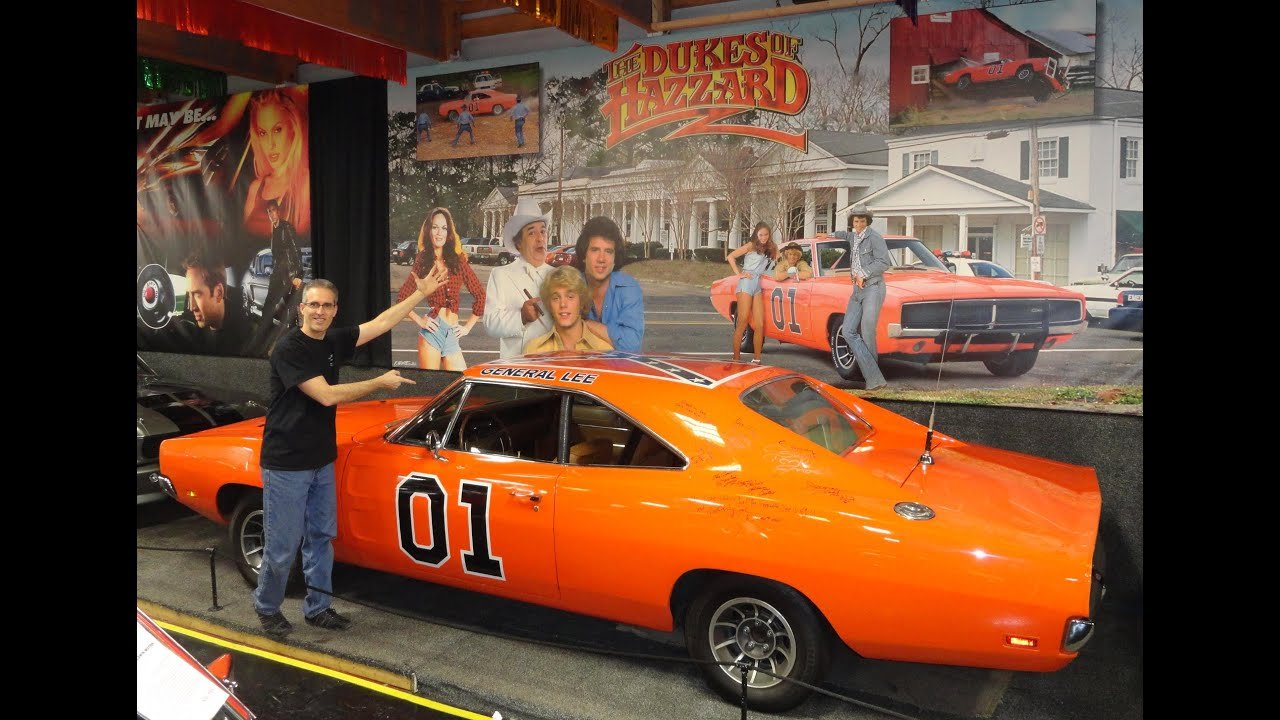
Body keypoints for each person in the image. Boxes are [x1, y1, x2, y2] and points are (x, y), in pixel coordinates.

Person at [253, 269, 447, 638]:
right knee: (282, 544)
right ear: (301, 309)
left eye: (326, 306)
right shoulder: (289, 349)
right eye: (313, 305)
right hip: (286, 463)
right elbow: (326, 394)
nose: (319, 311)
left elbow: (379, 323)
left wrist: (419, 294)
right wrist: (378, 382)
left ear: (335, 310)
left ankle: (318, 607)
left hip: (320, 458)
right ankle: (267, 607)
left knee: (321, 536)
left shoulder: (331, 341)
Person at [394, 208, 486, 370]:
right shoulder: (422, 260)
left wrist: (467, 327)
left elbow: (480, 295)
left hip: (452, 334)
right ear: (428, 230)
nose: (439, 232)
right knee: (430, 386)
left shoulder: (458, 261)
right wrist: (420, 321)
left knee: (459, 382)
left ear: (449, 232)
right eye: (435, 227)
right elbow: (401, 298)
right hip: (432, 333)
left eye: (444, 228)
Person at [484, 196, 554, 358]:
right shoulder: (501, 274)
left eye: (543, 231)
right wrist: (521, 317)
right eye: (531, 233)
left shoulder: (558, 275)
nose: (540, 238)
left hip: (551, 368)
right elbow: (490, 324)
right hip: (516, 368)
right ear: (518, 243)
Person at [831, 205, 889, 390]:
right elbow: (843, 234)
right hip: (857, 291)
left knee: (867, 330)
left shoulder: (875, 238)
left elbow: (884, 262)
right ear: (852, 223)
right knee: (848, 331)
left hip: (873, 288)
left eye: (862, 221)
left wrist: (863, 273)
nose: (859, 224)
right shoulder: (853, 236)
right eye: (856, 221)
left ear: (867, 222)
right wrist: (827, 236)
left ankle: (873, 381)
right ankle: (876, 378)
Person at [242, 88, 311, 240]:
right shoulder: (256, 187)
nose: (270, 144)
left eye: (277, 130)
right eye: (263, 133)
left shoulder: (305, 182)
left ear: (293, 129)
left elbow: (303, 241)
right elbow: (242, 240)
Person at [571, 216, 644, 353]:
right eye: (595, 250)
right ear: (584, 255)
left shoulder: (628, 288)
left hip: (620, 369)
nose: (602, 259)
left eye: (608, 251)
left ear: (615, 258)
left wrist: (585, 324)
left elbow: (631, 344)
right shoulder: (572, 285)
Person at [524, 266, 614, 353]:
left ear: (581, 302)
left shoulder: (603, 350)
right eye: (556, 298)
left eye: (570, 297)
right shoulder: (533, 350)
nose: (563, 304)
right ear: (549, 305)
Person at [725, 221, 778, 364]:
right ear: (756, 234)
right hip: (746, 284)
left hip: (757, 285)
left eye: (766, 234)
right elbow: (730, 256)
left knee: (760, 325)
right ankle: (736, 359)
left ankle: (757, 359)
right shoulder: (750, 246)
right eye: (761, 234)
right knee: (742, 322)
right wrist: (739, 274)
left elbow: (778, 263)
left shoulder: (771, 248)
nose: (763, 237)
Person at [183, 253, 252, 356]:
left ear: (218, 293)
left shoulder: (246, 341)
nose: (191, 307)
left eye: (197, 294)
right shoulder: (194, 332)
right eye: (189, 295)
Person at [260, 198, 304, 330]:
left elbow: (296, 251)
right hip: (278, 274)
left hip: (289, 274)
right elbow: (276, 256)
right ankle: (263, 337)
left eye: (273, 210)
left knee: (292, 307)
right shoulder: (274, 230)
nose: (272, 214)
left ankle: (297, 334)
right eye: (269, 212)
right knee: (269, 305)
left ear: (278, 212)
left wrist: (298, 275)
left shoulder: (287, 227)